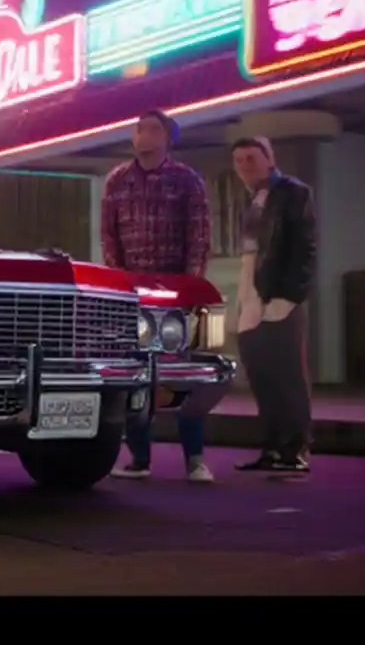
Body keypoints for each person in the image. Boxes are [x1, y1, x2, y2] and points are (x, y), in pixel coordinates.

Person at [101, 109, 215, 482]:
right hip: (133, 292)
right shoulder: (117, 181)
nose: (144, 136)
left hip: (177, 292)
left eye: (153, 129)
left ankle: (195, 459)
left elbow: (198, 236)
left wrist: (191, 287)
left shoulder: (187, 180)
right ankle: (139, 458)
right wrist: (120, 284)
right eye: (139, 129)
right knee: (136, 374)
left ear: (168, 138)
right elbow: (109, 237)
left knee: (185, 375)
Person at [230, 136, 316, 474]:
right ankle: (271, 446)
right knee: (260, 374)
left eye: (251, 158)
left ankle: (294, 449)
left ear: (269, 159)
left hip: (277, 291)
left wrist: (289, 296)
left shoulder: (294, 193)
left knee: (287, 374)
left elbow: (303, 248)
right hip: (251, 288)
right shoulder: (252, 199)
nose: (244, 167)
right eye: (239, 161)